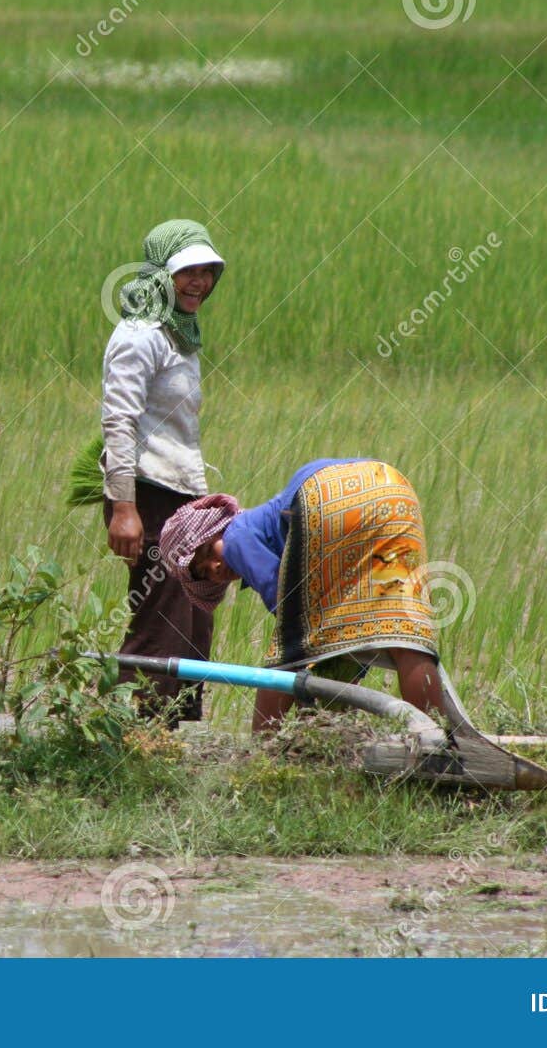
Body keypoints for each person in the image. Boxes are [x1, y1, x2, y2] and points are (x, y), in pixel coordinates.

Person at [158, 459, 444, 732]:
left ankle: (261, 756)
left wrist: (300, 652)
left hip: (324, 494)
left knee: (285, 653)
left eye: (207, 552)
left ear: (216, 527)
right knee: (405, 635)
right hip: (392, 490)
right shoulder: (308, 560)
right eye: (203, 573)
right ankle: (438, 743)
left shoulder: (236, 536)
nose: (215, 567)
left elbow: (283, 606)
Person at [100, 219, 225, 727]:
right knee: (162, 615)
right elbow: (119, 420)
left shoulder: (179, 334)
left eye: (208, 272)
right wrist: (124, 508)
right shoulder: (138, 335)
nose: (199, 283)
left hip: (180, 496)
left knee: (195, 615)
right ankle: (130, 733)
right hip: (146, 496)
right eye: (187, 272)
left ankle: (166, 729)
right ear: (161, 273)